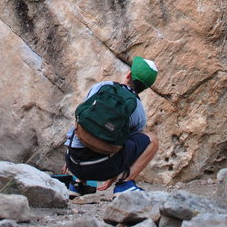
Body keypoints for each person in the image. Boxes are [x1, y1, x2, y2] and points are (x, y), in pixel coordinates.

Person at [64, 57, 159, 195]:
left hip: (72, 160)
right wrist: (113, 176)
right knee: (152, 139)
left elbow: (82, 120)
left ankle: (78, 184)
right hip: (103, 169)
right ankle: (125, 185)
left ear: (129, 75)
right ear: (145, 88)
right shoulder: (138, 112)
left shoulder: (102, 87)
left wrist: (70, 151)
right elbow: (124, 146)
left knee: (91, 123)